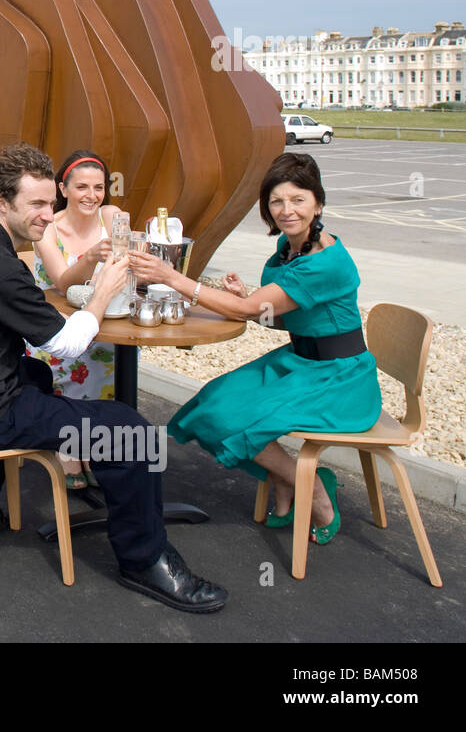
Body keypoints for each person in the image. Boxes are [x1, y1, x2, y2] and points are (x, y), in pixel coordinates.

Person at [0, 142, 228, 613]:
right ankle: (144, 562)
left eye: (50, 202)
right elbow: (65, 343)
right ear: (3, 202)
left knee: (38, 375)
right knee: (129, 432)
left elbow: (37, 336)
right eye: (38, 204)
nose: (49, 214)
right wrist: (103, 292)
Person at [129, 152, 379, 546]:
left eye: (298, 199)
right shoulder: (288, 247)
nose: (286, 210)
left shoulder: (325, 262)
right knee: (213, 403)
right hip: (302, 361)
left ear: (318, 202)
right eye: (276, 201)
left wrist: (171, 276)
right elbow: (277, 316)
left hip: (339, 376)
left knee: (231, 415)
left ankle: (309, 487)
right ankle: (286, 479)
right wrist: (248, 299)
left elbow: (251, 312)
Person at [29, 150, 121, 488]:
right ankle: (69, 450)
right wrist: (91, 257)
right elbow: (62, 280)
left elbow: (134, 259)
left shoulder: (112, 216)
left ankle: (95, 448)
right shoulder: (48, 226)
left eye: (99, 187)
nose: (92, 195)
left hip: (105, 324)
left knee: (113, 355)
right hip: (56, 326)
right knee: (78, 358)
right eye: (82, 187)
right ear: (63, 189)